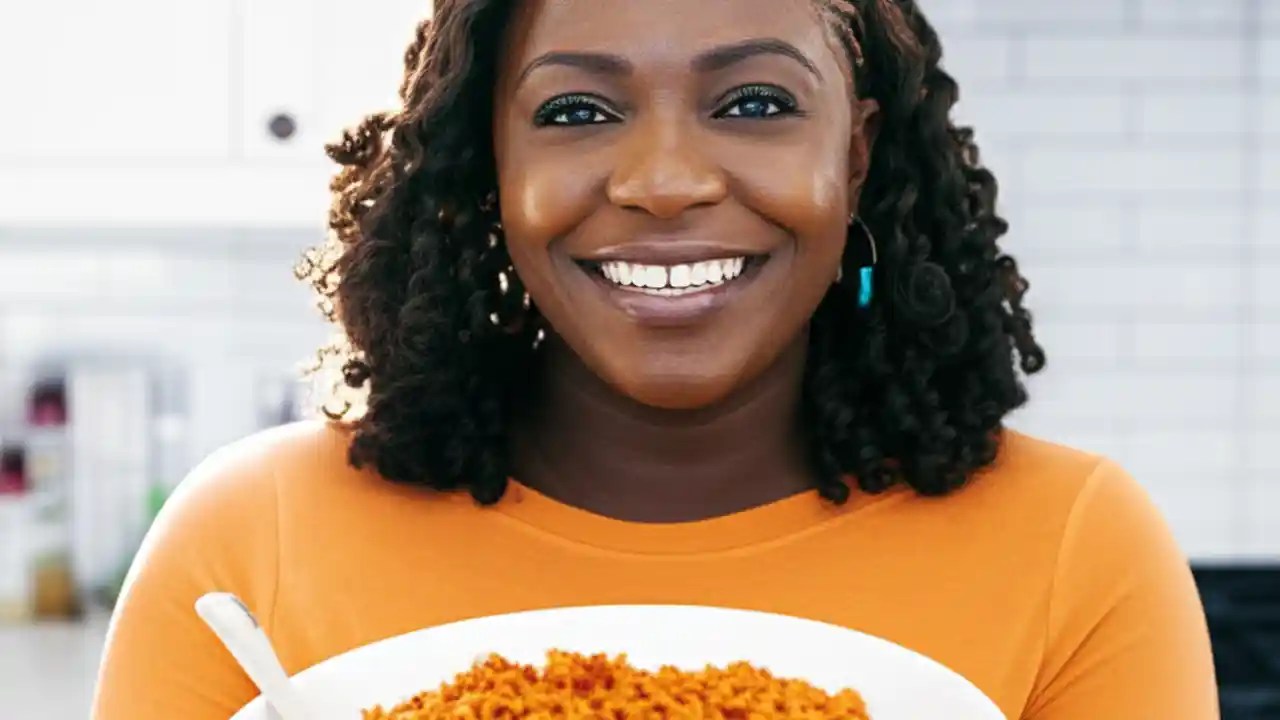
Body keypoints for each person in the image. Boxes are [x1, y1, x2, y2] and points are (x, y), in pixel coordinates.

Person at [93, 1, 1219, 717]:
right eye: (577, 111)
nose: (663, 180)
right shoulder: (250, 543)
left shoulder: (1072, 543)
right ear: (485, 164)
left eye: (757, 102)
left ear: (857, 153)